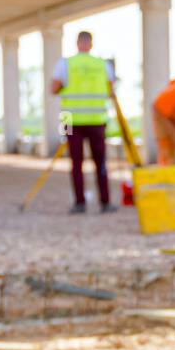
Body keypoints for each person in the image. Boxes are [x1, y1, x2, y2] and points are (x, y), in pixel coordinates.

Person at [49, 31, 117, 214]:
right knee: (100, 163)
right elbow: (111, 91)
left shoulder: (65, 63)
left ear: (77, 43)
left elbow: (53, 89)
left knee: (76, 163)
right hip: (97, 119)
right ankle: (105, 202)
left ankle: (79, 203)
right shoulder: (103, 65)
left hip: (70, 119)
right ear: (91, 44)